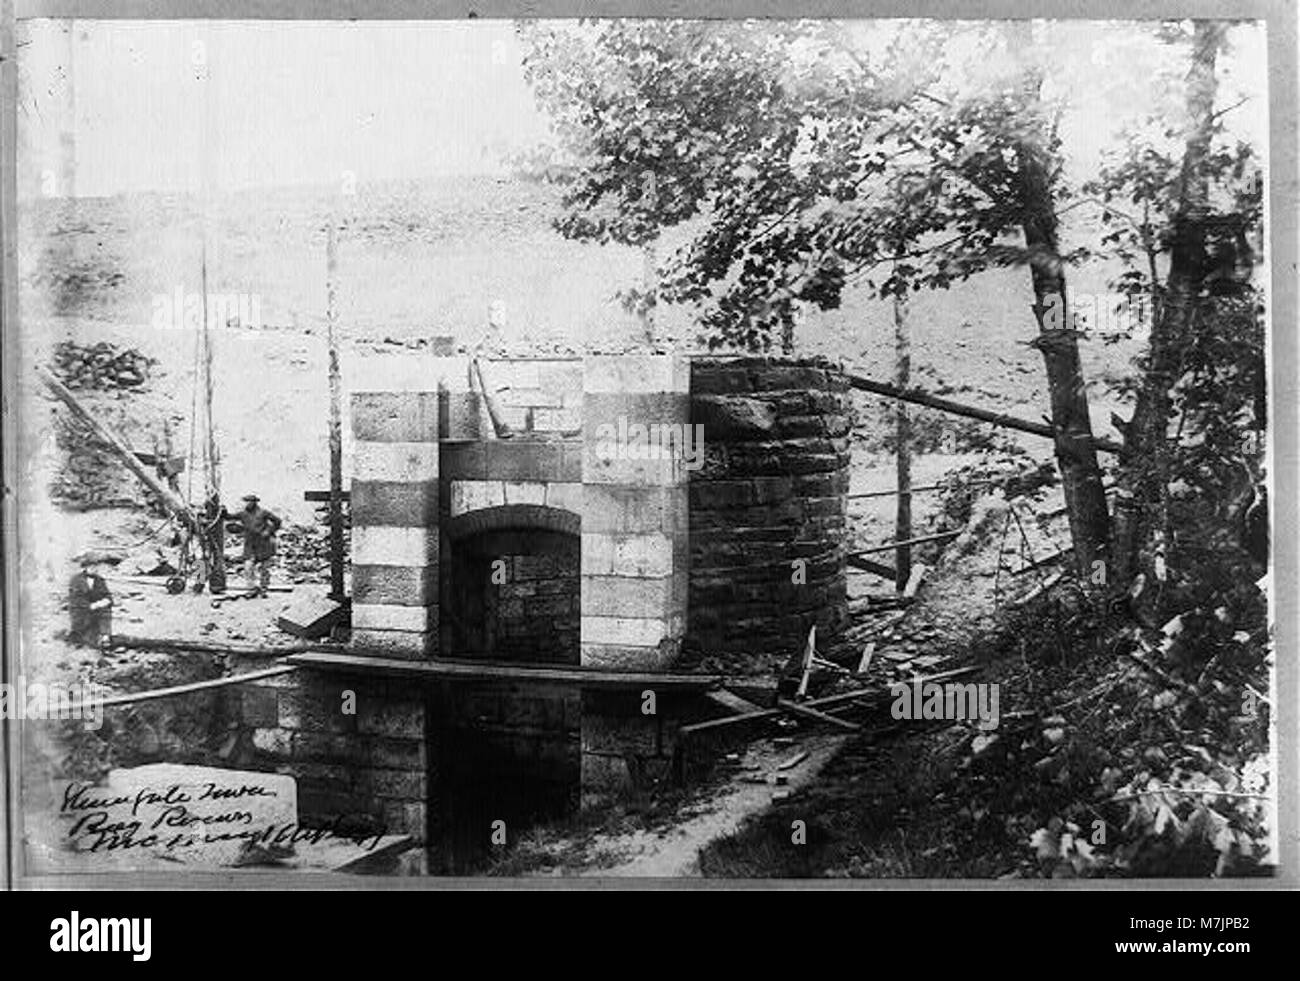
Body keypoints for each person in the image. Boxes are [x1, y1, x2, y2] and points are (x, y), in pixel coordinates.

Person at [234, 494, 281, 597]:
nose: (247, 503)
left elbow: (277, 521)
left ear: (254, 502)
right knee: (248, 567)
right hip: (250, 545)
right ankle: (251, 589)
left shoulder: (263, 512)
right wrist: (222, 511)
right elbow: (230, 517)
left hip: (263, 544)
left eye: (249, 501)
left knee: (265, 569)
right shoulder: (243, 514)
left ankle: (264, 589)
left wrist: (268, 531)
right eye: (246, 501)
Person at [68, 555, 113, 648]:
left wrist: (104, 601)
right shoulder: (76, 580)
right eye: (92, 567)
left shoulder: (99, 580)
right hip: (81, 613)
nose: (95, 569)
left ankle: (105, 636)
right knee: (86, 641)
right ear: (85, 567)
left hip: (95, 613)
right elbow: (76, 599)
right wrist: (90, 606)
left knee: (105, 609)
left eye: (97, 567)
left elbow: (107, 595)